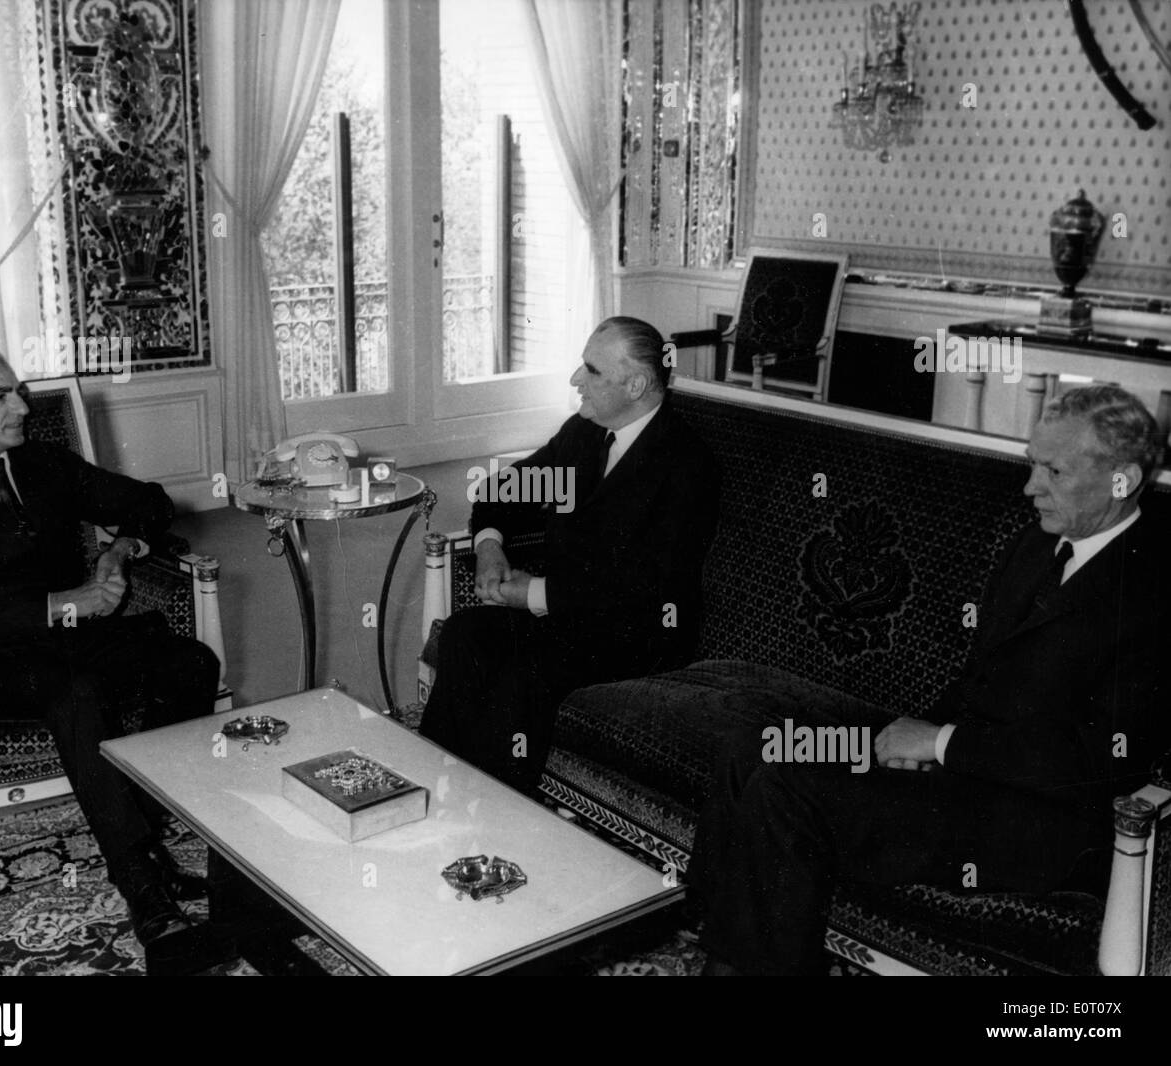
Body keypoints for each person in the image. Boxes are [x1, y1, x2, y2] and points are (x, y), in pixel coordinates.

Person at [691, 384, 1171, 975]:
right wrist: (920, 743)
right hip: (961, 772)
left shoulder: (1154, 591)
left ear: (1122, 479)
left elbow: (1103, 764)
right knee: (755, 745)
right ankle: (727, 946)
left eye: (1052, 470)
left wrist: (942, 744)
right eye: (1030, 464)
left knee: (785, 790)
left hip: (1038, 824)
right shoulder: (1037, 545)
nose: (1029, 487)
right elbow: (980, 678)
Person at [0, 345, 220, 953]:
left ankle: (140, 830)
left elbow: (150, 501)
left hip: (75, 637)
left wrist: (119, 552)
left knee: (192, 664)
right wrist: (72, 602)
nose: (22, 407)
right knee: (77, 692)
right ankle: (144, 890)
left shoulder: (44, 464)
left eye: (19, 391)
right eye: (1, 396)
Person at [419, 316, 718, 790]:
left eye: (592, 370)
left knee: (523, 671)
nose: (576, 379)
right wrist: (490, 547)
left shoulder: (684, 465)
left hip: (637, 637)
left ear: (636, 384)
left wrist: (534, 594)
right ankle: (434, 790)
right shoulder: (583, 435)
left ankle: (498, 819)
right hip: (567, 623)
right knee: (466, 634)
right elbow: (503, 493)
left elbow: (646, 586)